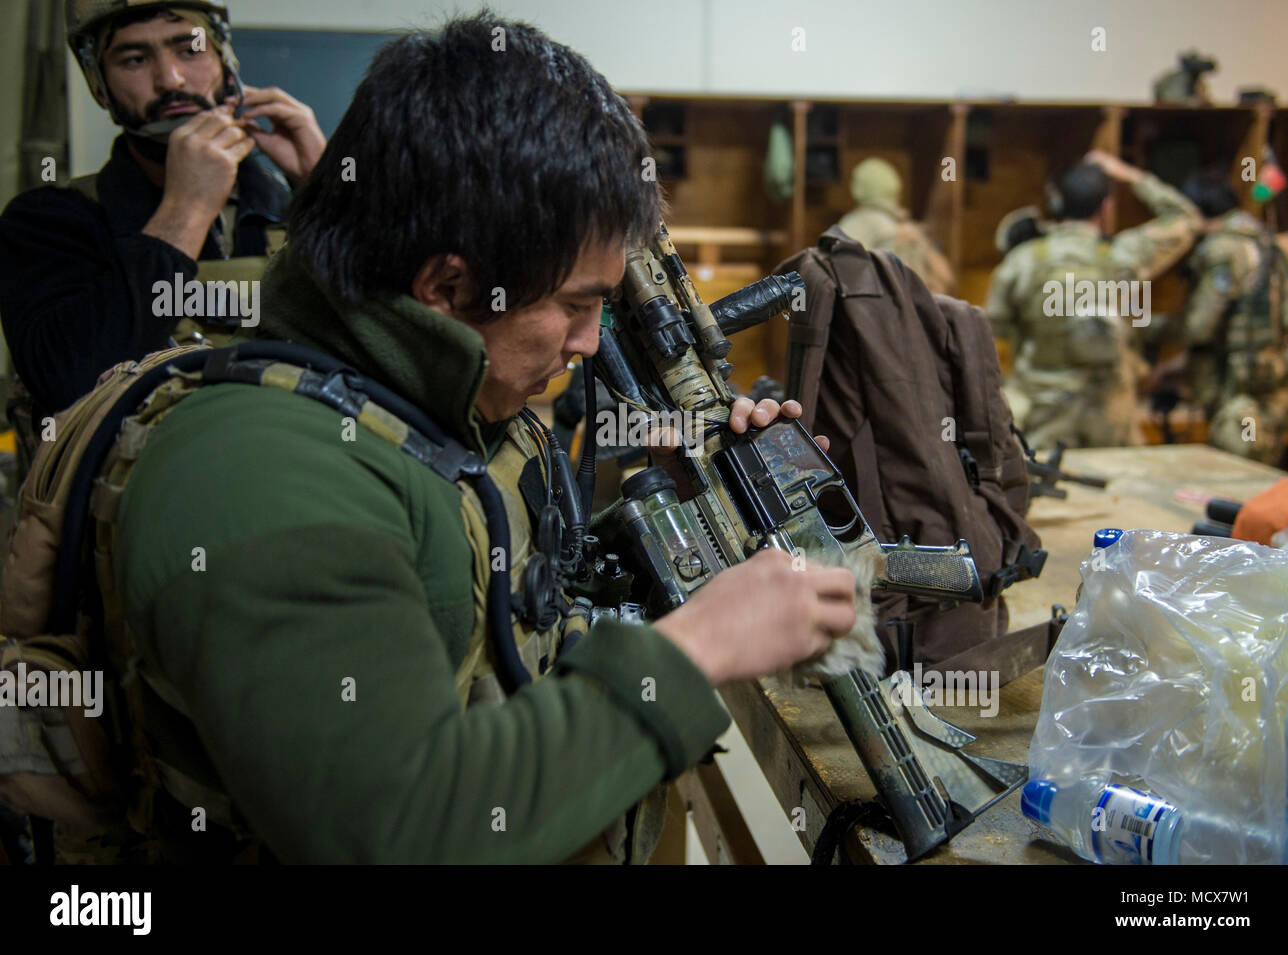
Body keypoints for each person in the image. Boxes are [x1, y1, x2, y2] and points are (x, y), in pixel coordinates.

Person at [67, 14, 856, 864]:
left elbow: (498, 584)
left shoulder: (437, 389)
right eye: (577, 306)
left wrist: (687, 494)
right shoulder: (261, 478)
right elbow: (402, 828)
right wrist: (700, 647)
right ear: (447, 284)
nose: (591, 342)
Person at [0, 1, 324, 474]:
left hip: (299, 490)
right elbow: (70, 383)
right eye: (133, 59)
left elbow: (404, 349)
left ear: (226, 62)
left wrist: (329, 197)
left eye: (190, 48)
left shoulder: (296, 207)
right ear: (99, 87)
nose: (170, 79)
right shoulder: (49, 220)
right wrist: (185, 210)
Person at [985, 151, 1201, 449]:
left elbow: (993, 330)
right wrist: (1128, 174)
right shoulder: (1125, 254)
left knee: (1041, 487)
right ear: (1107, 208)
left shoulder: (1022, 260)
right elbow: (1187, 219)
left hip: (1043, 413)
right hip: (1111, 416)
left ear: (1055, 202)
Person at [1176, 171, 1288, 464]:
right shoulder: (1271, 242)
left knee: (1234, 477)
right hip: (1279, 384)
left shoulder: (1224, 248)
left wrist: (1155, 331)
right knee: (1261, 474)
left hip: (1240, 392)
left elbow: (1199, 326)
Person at [836, 157, 955, 294]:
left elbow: (841, 276)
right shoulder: (909, 227)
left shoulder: (857, 223)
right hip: (911, 310)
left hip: (873, 310)